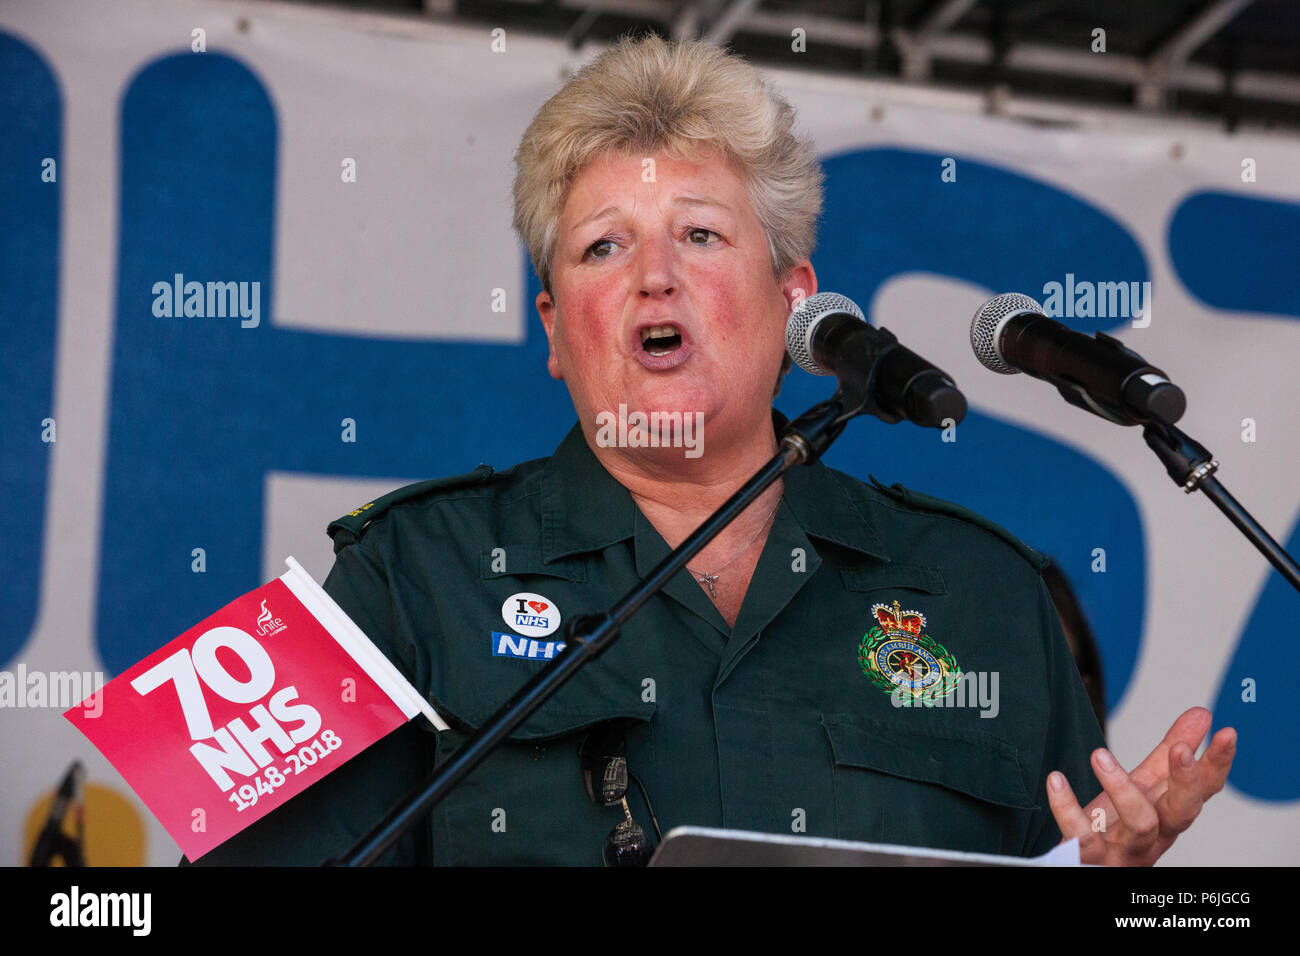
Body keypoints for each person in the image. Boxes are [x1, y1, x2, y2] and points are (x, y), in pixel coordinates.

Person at [190, 33, 1234, 867]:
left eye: (699, 234)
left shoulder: (985, 589)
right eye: (604, 245)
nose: (655, 276)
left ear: (795, 304)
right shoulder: (401, 573)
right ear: (554, 329)